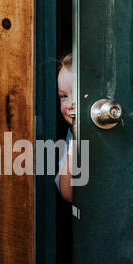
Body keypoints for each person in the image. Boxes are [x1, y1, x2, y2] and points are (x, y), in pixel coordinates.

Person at [55, 53, 75, 202]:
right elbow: (68, 193)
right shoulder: (72, 136)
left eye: (76, 93)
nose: (69, 105)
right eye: (64, 96)